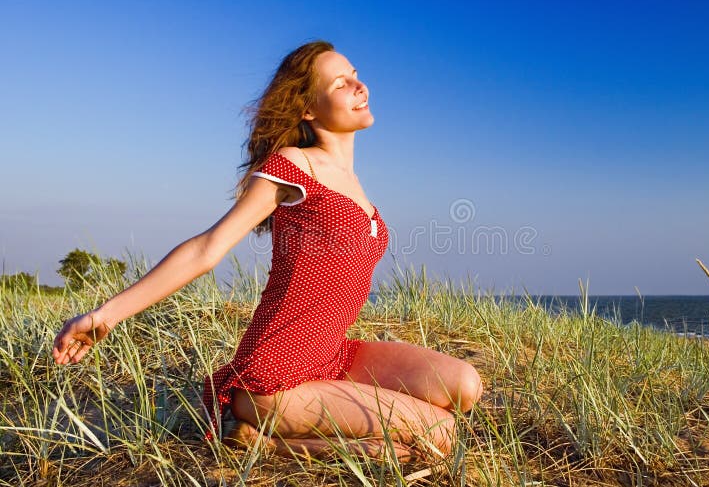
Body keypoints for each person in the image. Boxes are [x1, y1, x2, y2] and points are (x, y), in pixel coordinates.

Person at [52, 40, 484, 463]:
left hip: (334, 355)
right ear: (307, 109)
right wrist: (104, 315)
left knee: (466, 385)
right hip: (276, 375)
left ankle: (294, 426)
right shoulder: (293, 165)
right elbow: (206, 248)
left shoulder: (355, 186)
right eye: (340, 83)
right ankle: (265, 436)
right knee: (440, 433)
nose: (359, 86)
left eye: (355, 76)